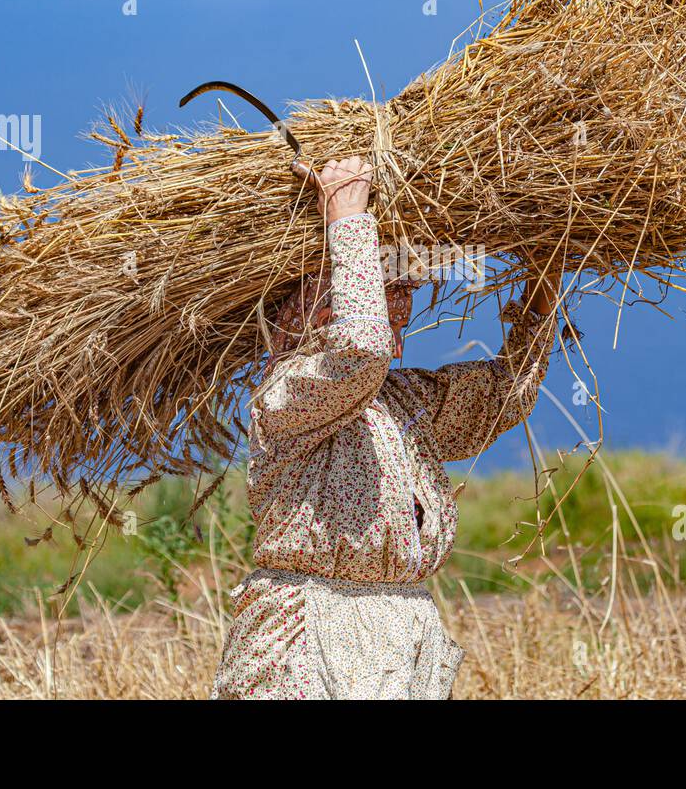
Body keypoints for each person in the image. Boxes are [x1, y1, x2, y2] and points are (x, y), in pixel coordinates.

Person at [213, 156, 558, 699]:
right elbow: (363, 350)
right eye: (387, 320)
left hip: (400, 634)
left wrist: (543, 281)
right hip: (312, 633)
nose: (397, 344)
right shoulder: (289, 394)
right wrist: (348, 218)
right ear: (320, 315)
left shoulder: (399, 398)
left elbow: (503, 397)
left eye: (401, 324)